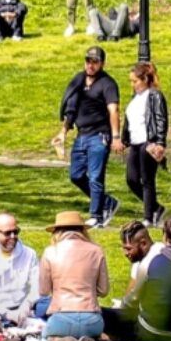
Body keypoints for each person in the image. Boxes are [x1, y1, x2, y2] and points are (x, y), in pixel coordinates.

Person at [107, 210, 171, 341]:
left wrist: (119, 308)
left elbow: (132, 301)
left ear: (165, 237)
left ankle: (100, 338)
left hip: (153, 330)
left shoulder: (151, 263)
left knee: (102, 315)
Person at [57, 43, 124, 229]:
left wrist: (116, 137)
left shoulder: (107, 84)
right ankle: (107, 203)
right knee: (76, 175)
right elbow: (71, 108)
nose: (90, 65)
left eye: (95, 62)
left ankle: (96, 216)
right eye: (88, 61)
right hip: (81, 135)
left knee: (95, 176)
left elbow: (114, 111)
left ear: (102, 63)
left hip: (99, 135)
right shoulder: (78, 80)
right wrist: (63, 132)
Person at [37, 208, 109, 341]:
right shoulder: (96, 251)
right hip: (92, 319)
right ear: (83, 230)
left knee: (46, 335)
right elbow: (104, 290)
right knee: (94, 329)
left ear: (56, 232)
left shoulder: (50, 252)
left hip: (61, 318)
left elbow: (43, 291)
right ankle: (91, 339)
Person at [122, 61, 168, 222]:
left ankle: (148, 217)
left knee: (147, 179)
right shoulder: (135, 98)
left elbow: (161, 119)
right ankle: (155, 206)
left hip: (148, 143)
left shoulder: (154, 95)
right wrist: (124, 140)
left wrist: (160, 142)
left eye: (135, 81)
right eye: (131, 81)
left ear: (145, 80)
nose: (132, 85)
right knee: (132, 179)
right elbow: (129, 122)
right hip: (135, 142)